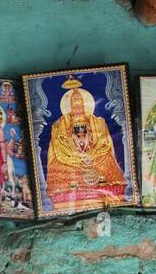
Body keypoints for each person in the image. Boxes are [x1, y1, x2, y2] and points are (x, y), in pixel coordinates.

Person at [45, 77, 126, 208]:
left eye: (79, 100)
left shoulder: (97, 121)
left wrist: (90, 151)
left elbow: (104, 142)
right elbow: (59, 145)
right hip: (70, 158)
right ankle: (70, 194)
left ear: (84, 102)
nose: (76, 104)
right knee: (59, 167)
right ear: (69, 104)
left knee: (107, 161)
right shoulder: (60, 125)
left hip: (94, 156)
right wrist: (76, 151)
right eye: (73, 101)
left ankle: (105, 191)